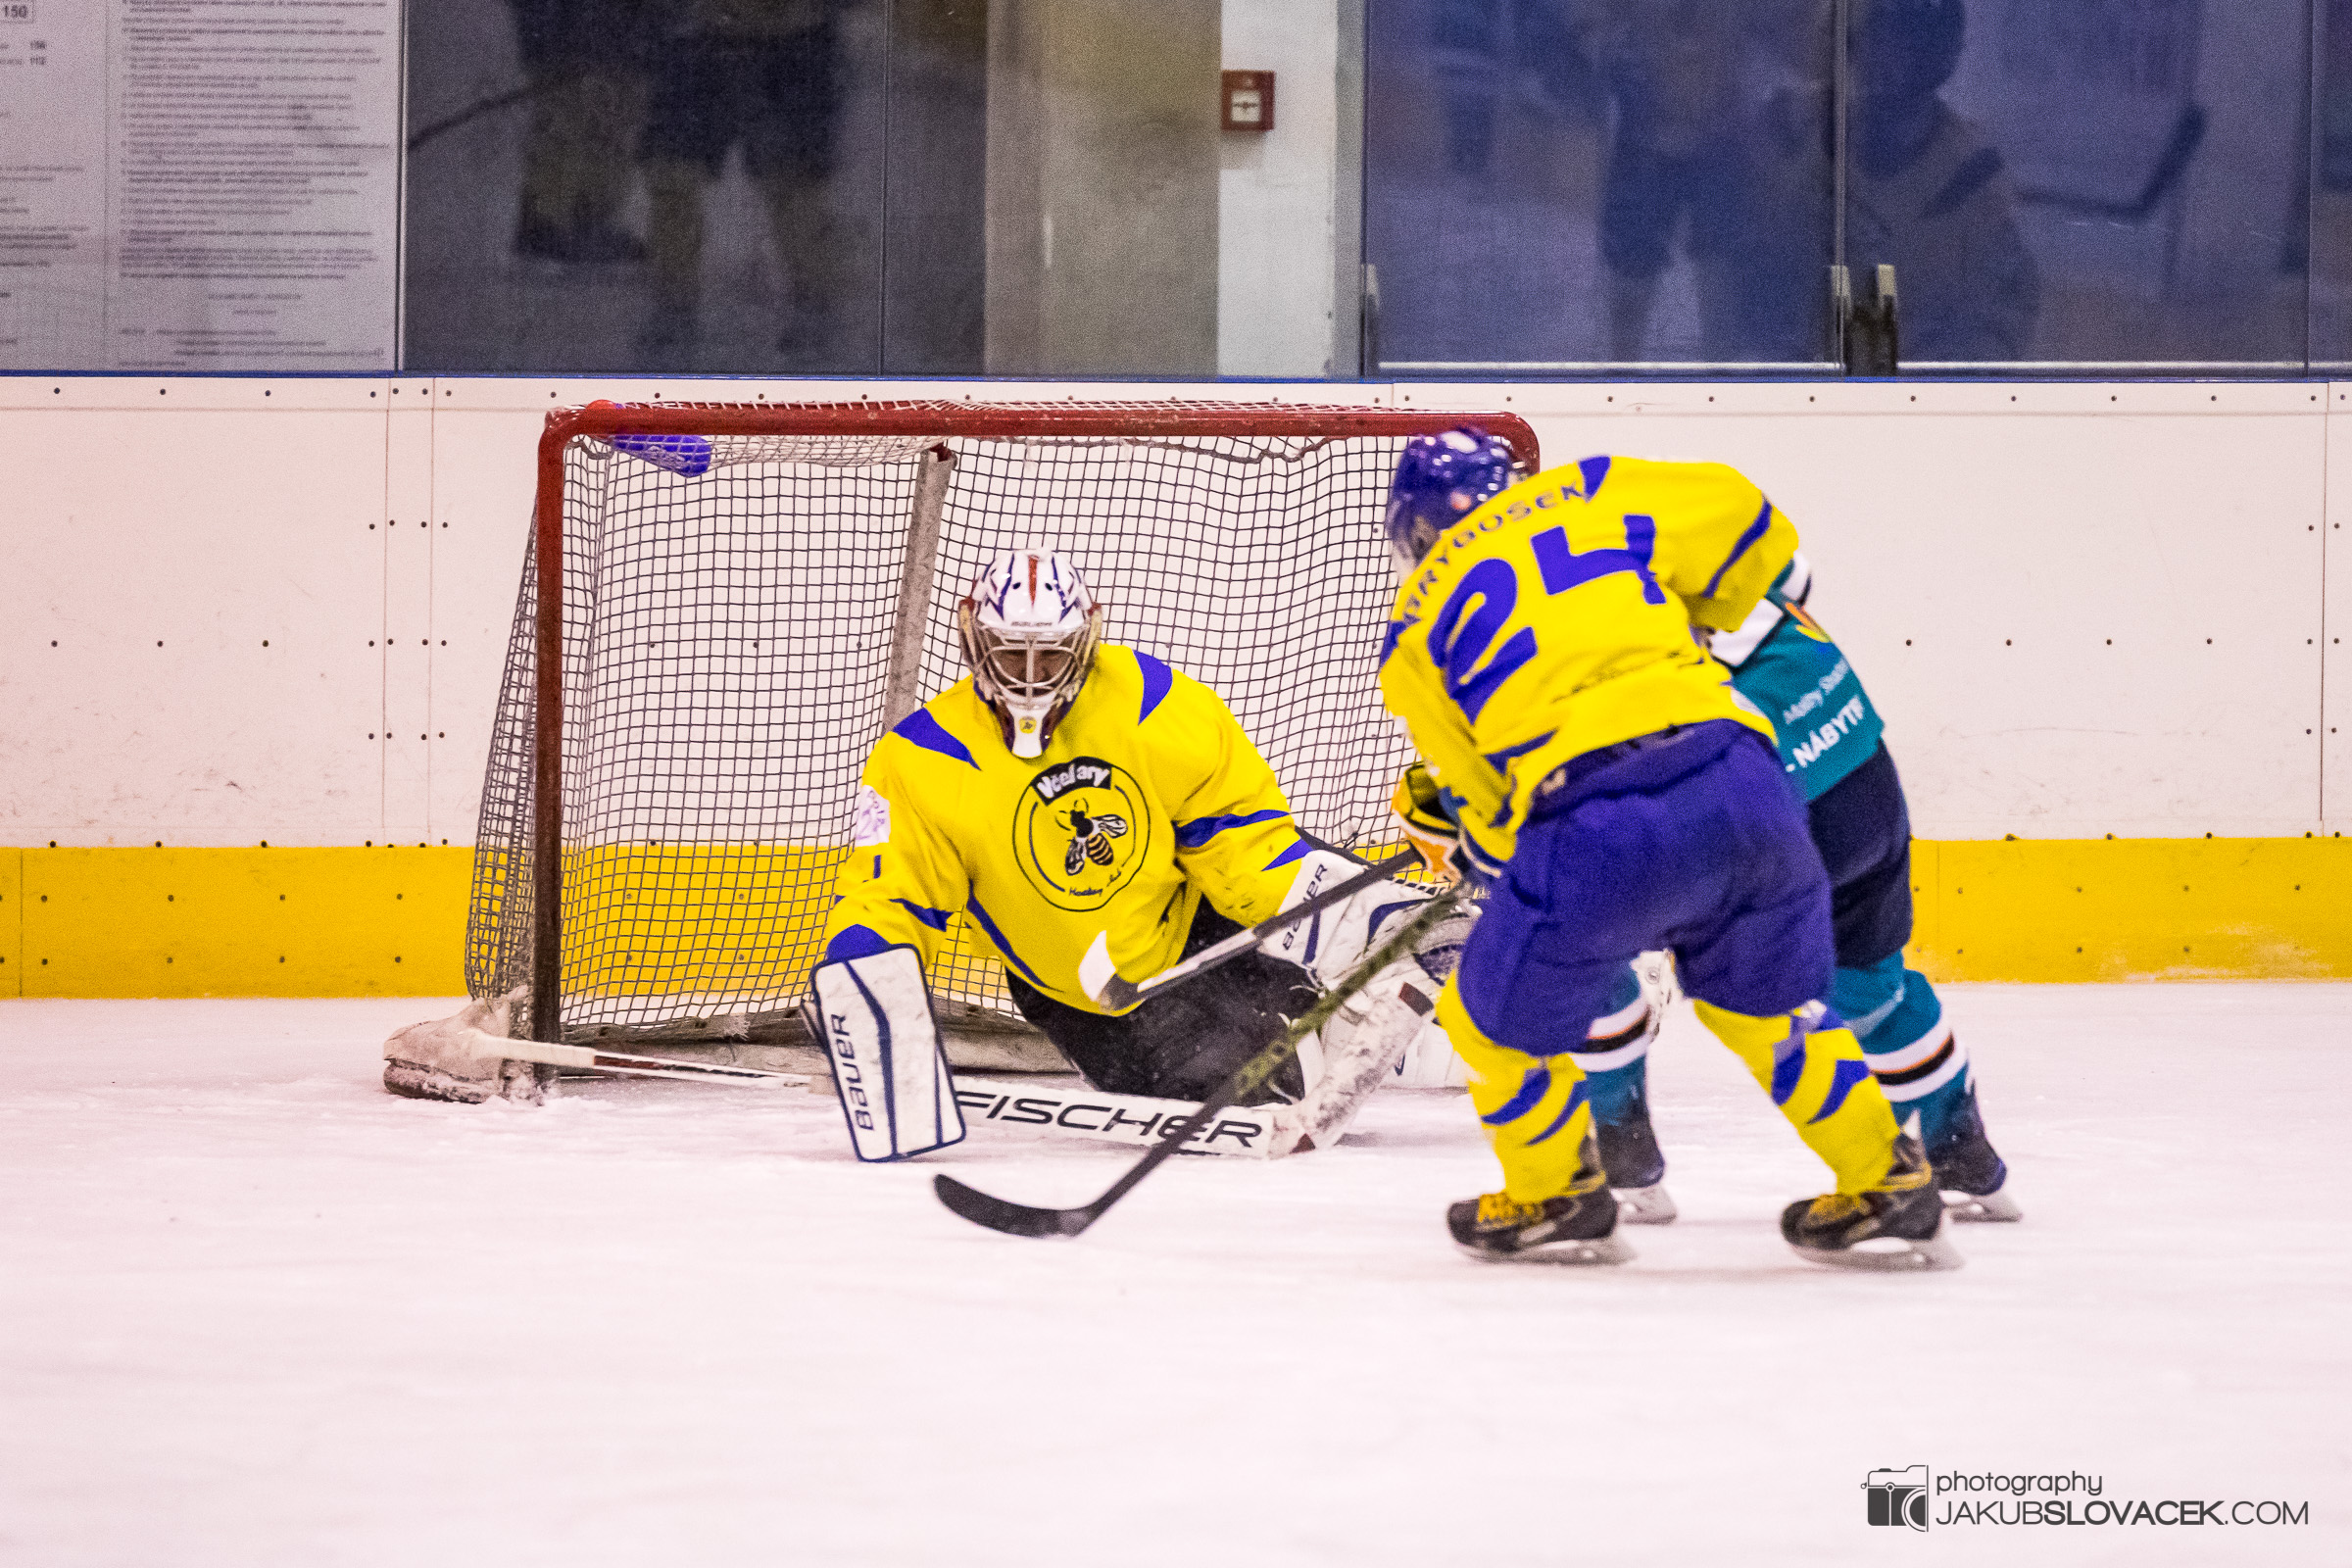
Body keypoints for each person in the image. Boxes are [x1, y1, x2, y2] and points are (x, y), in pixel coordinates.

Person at [1377, 429, 1956, 1269]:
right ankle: (1887, 1178)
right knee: (1765, 1004)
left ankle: (1552, 1195)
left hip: (1600, 817)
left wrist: (1480, 853)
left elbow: (1497, 825)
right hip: (1746, 777)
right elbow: (1759, 535)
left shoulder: (1412, 634)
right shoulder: (1595, 491)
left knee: (1484, 1020)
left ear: (1415, 531)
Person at [808, 548, 1466, 1163]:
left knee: (1399, 941)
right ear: (973, 640)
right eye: (1013, 656)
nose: (1033, 677)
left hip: (1202, 923)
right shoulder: (922, 758)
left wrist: (1381, 917)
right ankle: (1339, 1019)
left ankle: (1406, 1004)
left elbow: (1249, 852)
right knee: (1260, 1093)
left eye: (1053, 655)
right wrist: (861, 973)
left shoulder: (1161, 708)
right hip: (1085, 994)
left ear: (1087, 636)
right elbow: (890, 894)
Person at [1553, 551, 2020, 1222]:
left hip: (1780, 812)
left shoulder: (1603, 622)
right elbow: (1794, 575)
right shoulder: (1705, 554)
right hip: (1864, 781)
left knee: (1588, 944)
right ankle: (1962, 1151)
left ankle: (1623, 1154)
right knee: (1872, 983)